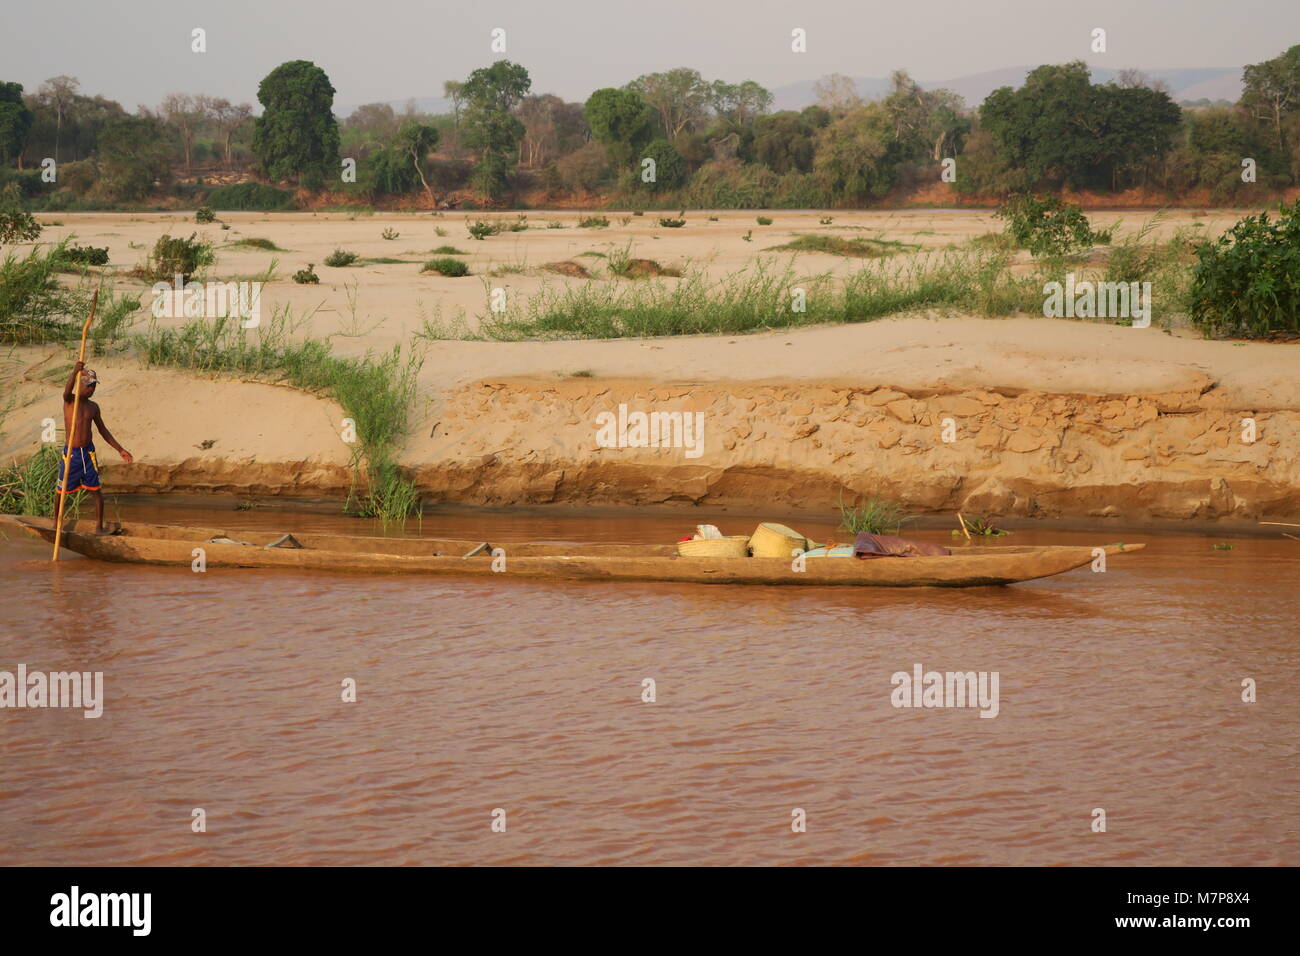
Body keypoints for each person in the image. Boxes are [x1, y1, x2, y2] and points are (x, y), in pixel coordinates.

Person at [56, 361, 133, 534]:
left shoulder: (93, 407)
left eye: (94, 386)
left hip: (88, 453)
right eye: (89, 386)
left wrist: (120, 449)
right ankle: (57, 523)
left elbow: (103, 430)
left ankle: (99, 527)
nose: (92, 389)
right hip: (71, 453)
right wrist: (74, 372)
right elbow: (66, 391)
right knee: (61, 492)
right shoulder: (70, 402)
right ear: (81, 385)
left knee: (96, 491)